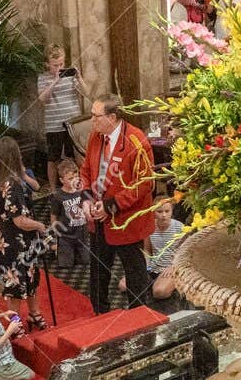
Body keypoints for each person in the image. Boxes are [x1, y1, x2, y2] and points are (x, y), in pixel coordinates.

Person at [80, 95, 156, 313]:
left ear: (112, 117)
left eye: (96, 116)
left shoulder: (136, 141)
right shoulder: (95, 136)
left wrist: (110, 206)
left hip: (126, 221)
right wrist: (86, 199)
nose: (92, 120)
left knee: (134, 273)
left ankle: (140, 317)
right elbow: (86, 170)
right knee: (98, 273)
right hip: (98, 220)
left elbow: (144, 184)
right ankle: (100, 314)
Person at [0, 136, 48, 332]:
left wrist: (22, 172)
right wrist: (40, 226)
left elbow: (36, 187)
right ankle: (14, 324)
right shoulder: (12, 185)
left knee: (30, 276)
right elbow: (20, 221)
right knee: (15, 283)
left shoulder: (2, 179)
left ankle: (34, 313)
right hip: (16, 241)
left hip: (11, 238)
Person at [38, 46, 86, 190]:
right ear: (47, 64)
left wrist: (79, 78)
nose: (59, 68)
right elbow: (42, 98)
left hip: (73, 123)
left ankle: (82, 185)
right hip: (54, 124)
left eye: (62, 64)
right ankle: (54, 190)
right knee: (53, 158)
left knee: (77, 154)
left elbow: (86, 92)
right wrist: (55, 81)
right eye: (55, 65)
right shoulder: (43, 78)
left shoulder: (70, 77)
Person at [52, 159, 91, 269]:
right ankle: (55, 247)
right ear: (61, 180)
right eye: (70, 179)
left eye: (76, 177)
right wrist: (55, 234)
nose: (74, 180)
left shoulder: (82, 191)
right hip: (66, 237)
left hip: (82, 235)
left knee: (85, 261)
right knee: (66, 265)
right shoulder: (58, 196)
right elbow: (53, 216)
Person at [147, 200, 185, 300]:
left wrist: (173, 266)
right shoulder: (149, 227)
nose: (163, 215)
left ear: (172, 211)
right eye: (159, 212)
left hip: (172, 267)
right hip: (153, 267)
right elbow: (147, 251)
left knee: (159, 292)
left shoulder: (179, 227)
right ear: (154, 212)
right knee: (123, 286)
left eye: (167, 211)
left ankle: (177, 282)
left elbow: (185, 254)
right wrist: (144, 267)